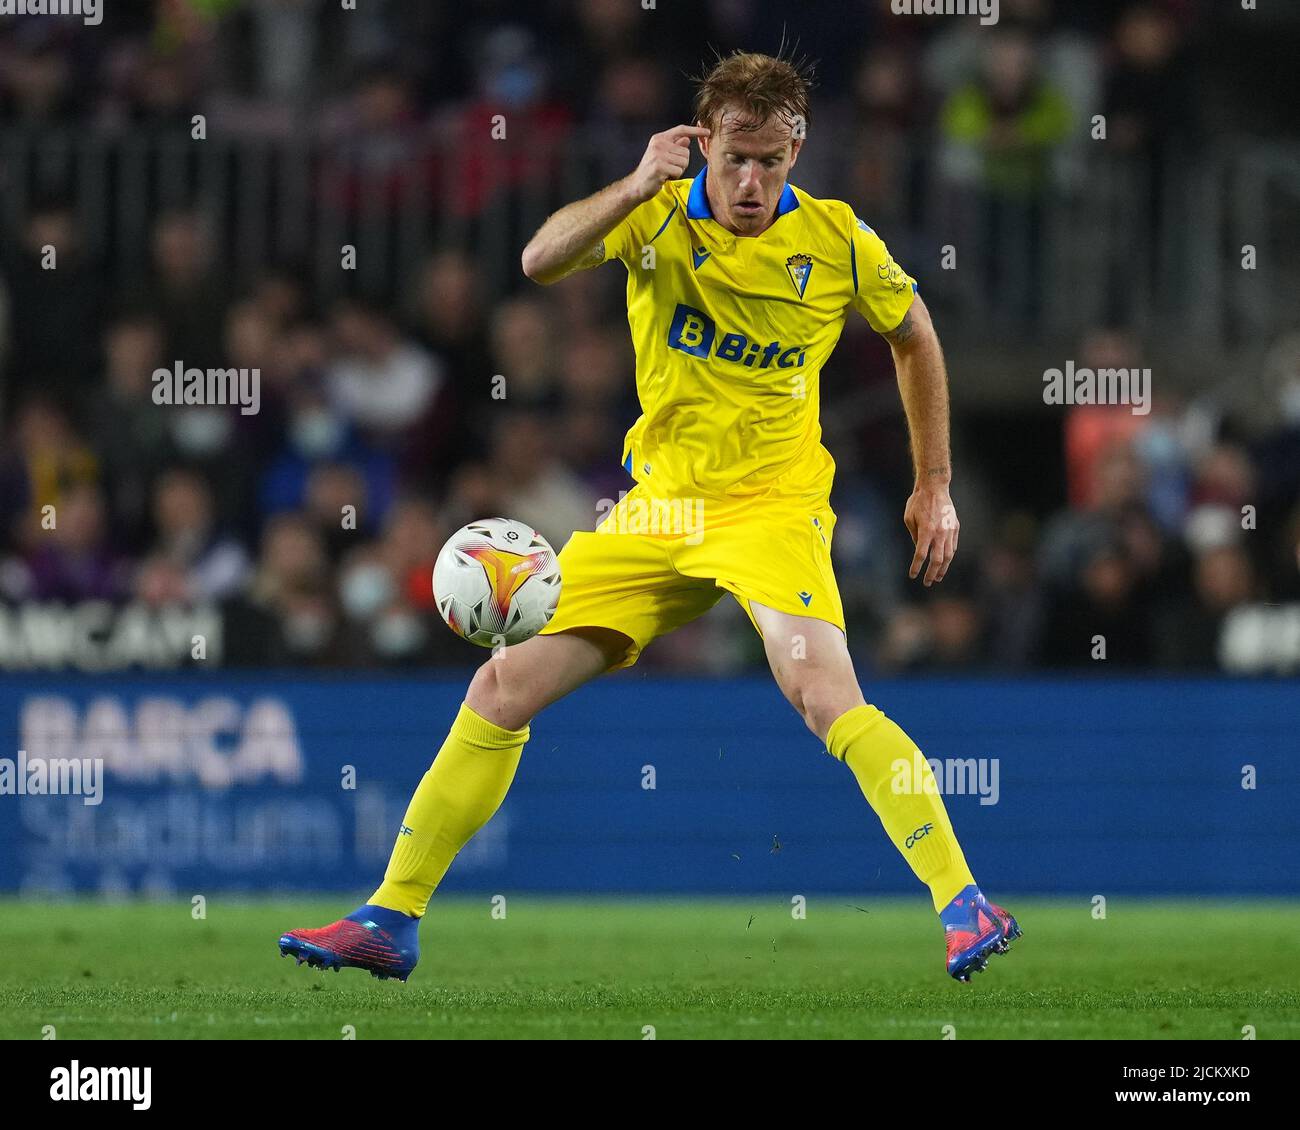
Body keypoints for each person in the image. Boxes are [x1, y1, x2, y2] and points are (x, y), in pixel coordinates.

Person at [279, 50, 1019, 983]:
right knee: (500, 691)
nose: (752, 181)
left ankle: (964, 903)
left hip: (771, 510)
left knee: (825, 695)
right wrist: (633, 183)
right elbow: (539, 258)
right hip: (654, 515)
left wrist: (934, 481)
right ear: (702, 140)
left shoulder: (837, 243)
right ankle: (390, 919)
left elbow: (915, 337)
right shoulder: (654, 215)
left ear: (799, 148)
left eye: (773, 161)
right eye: (736, 157)